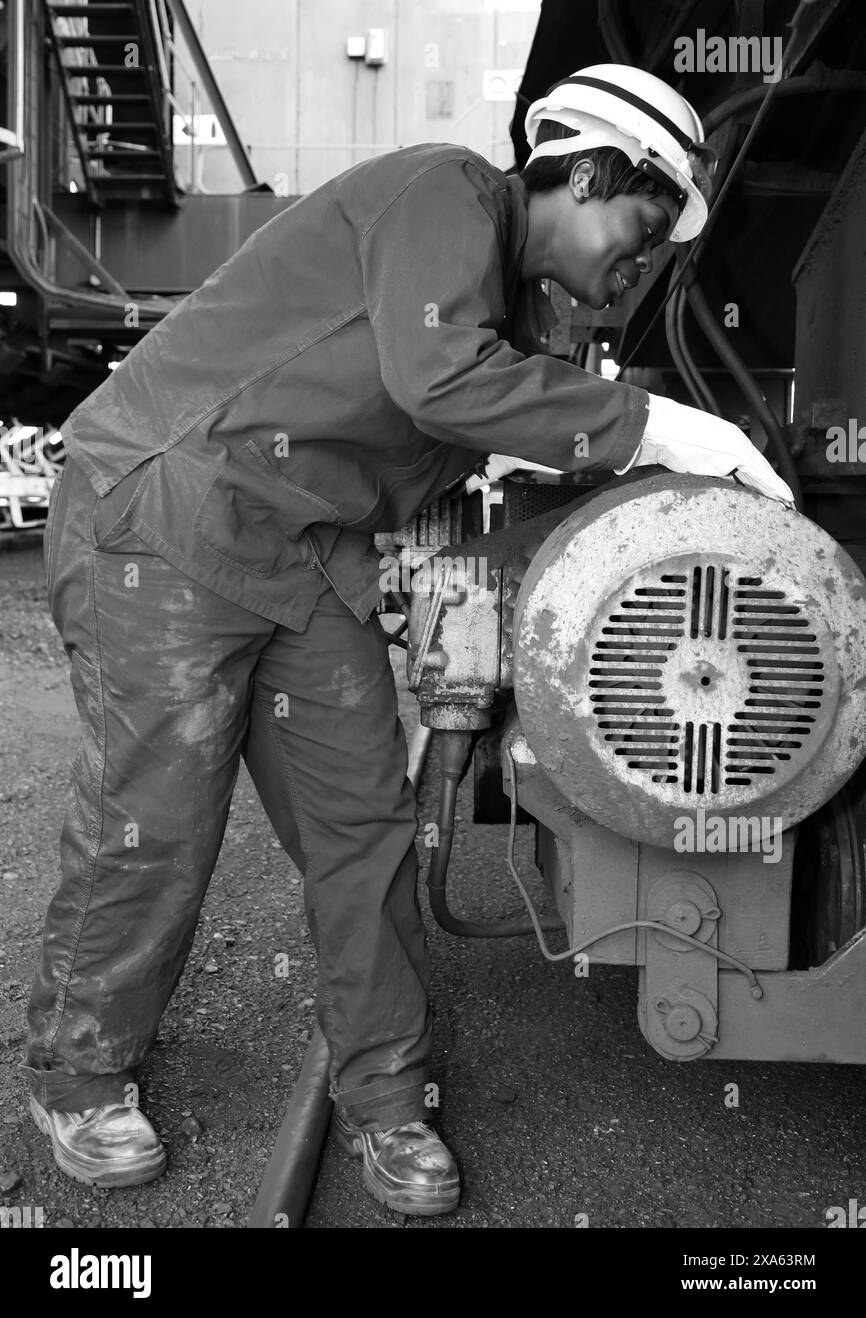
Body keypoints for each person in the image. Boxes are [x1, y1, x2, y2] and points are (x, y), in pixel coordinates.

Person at [24, 64, 794, 1217]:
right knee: (159, 812)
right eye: (640, 229)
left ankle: (387, 1098)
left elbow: (439, 439)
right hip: (169, 511)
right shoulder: (445, 196)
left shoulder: (511, 317)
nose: (639, 269)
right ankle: (79, 1075)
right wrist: (663, 427)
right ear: (583, 170)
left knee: (361, 830)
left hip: (305, 549)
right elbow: (435, 380)